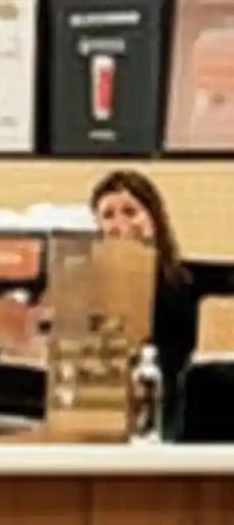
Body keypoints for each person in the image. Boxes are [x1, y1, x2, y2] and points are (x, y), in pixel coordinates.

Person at [90, 169, 193, 440]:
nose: (120, 224)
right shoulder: (86, 286)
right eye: (108, 215)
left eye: (130, 211)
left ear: (154, 218)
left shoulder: (185, 284)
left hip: (170, 411)